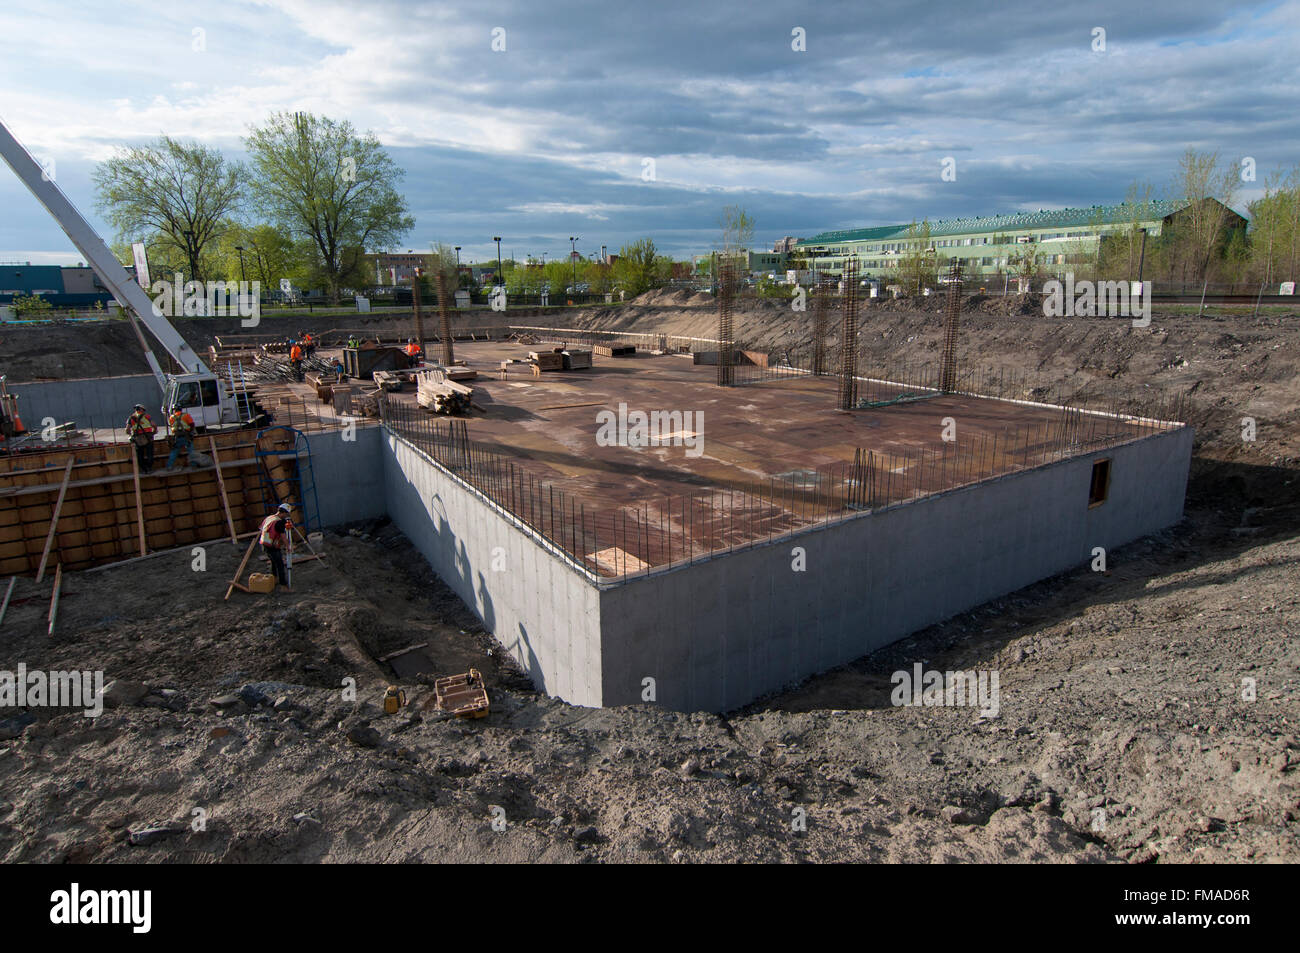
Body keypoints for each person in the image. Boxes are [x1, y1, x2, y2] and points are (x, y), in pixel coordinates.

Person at [259, 503, 293, 589]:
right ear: (284, 513)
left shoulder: (269, 518)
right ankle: (283, 585)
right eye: (287, 514)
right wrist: (288, 546)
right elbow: (283, 536)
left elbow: (262, 529)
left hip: (265, 543)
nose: (287, 516)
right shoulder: (279, 522)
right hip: (272, 546)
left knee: (274, 562)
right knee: (280, 565)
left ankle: (274, 578)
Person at [125, 404, 157, 473]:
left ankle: (143, 469)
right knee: (149, 453)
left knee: (139, 454)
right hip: (148, 437)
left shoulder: (131, 418)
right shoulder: (147, 416)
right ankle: (149, 468)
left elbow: (127, 430)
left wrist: (131, 434)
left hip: (137, 437)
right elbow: (154, 425)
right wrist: (154, 431)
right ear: (142, 410)